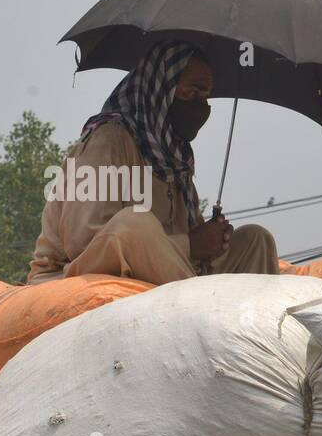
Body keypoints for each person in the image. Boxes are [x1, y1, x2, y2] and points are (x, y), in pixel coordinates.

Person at [27, 39, 279, 285]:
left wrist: (211, 240)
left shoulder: (175, 158)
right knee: (135, 225)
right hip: (70, 274)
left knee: (255, 239)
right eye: (192, 92)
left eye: (206, 96)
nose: (201, 106)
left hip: (171, 272)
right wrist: (190, 244)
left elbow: (185, 241)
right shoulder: (109, 139)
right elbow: (83, 243)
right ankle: (193, 312)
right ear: (160, 88)